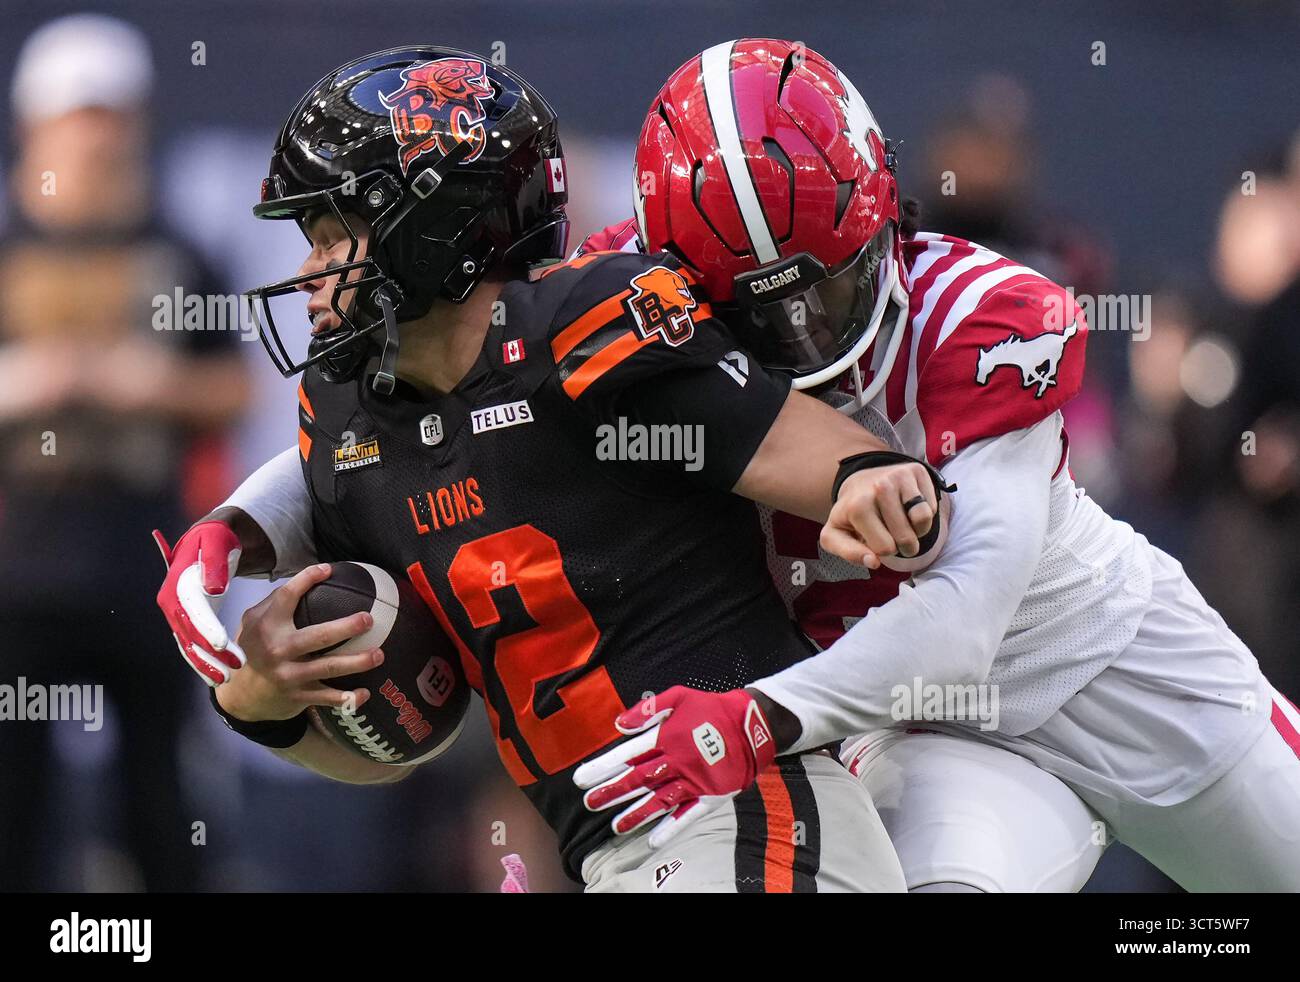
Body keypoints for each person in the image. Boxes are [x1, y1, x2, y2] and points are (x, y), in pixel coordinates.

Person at [153, 45, 947, 893]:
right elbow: (398, 743)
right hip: (613, 859)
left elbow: (837, 462)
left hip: (748, 810)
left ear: (431, 226)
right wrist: (255, 699)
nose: (309, 277)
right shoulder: (352, 419)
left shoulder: (587, 328)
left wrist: (875, 489)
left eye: (330, 239)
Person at [576, 39, 1300, 893]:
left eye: (829, 294)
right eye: (759, 321)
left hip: (1119, 668)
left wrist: (757, 717)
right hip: (926, 728)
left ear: (886, 210)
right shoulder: (616, 320)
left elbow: (963, 623)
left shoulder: (974, 319)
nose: (810, 344)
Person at [0, 14, 249, 890]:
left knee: (158, 798)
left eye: (109, 114)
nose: (95, 134)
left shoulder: (177, 251)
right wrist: (25, 382)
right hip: (18, 573)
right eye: (79, 114)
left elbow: (234, 384)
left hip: (142, 564)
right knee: (13, 802)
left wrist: (151, 384)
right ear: (36, 122)